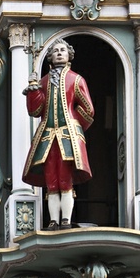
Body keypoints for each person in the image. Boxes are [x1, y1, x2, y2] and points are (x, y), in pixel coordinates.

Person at [22, 38, 94, 230]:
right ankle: (53, 220)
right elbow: (35, 110)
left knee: (65, 179)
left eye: (63, 50)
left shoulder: (76, 79)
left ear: (69, 54)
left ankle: (65, 221)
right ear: (50, 57)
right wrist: (33, 90)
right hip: (47, 137)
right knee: (51, 181)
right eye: (55, 51)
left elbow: (88, 109)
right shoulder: (43, 81)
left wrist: (74, 125)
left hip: (68, 137)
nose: (59, 53)